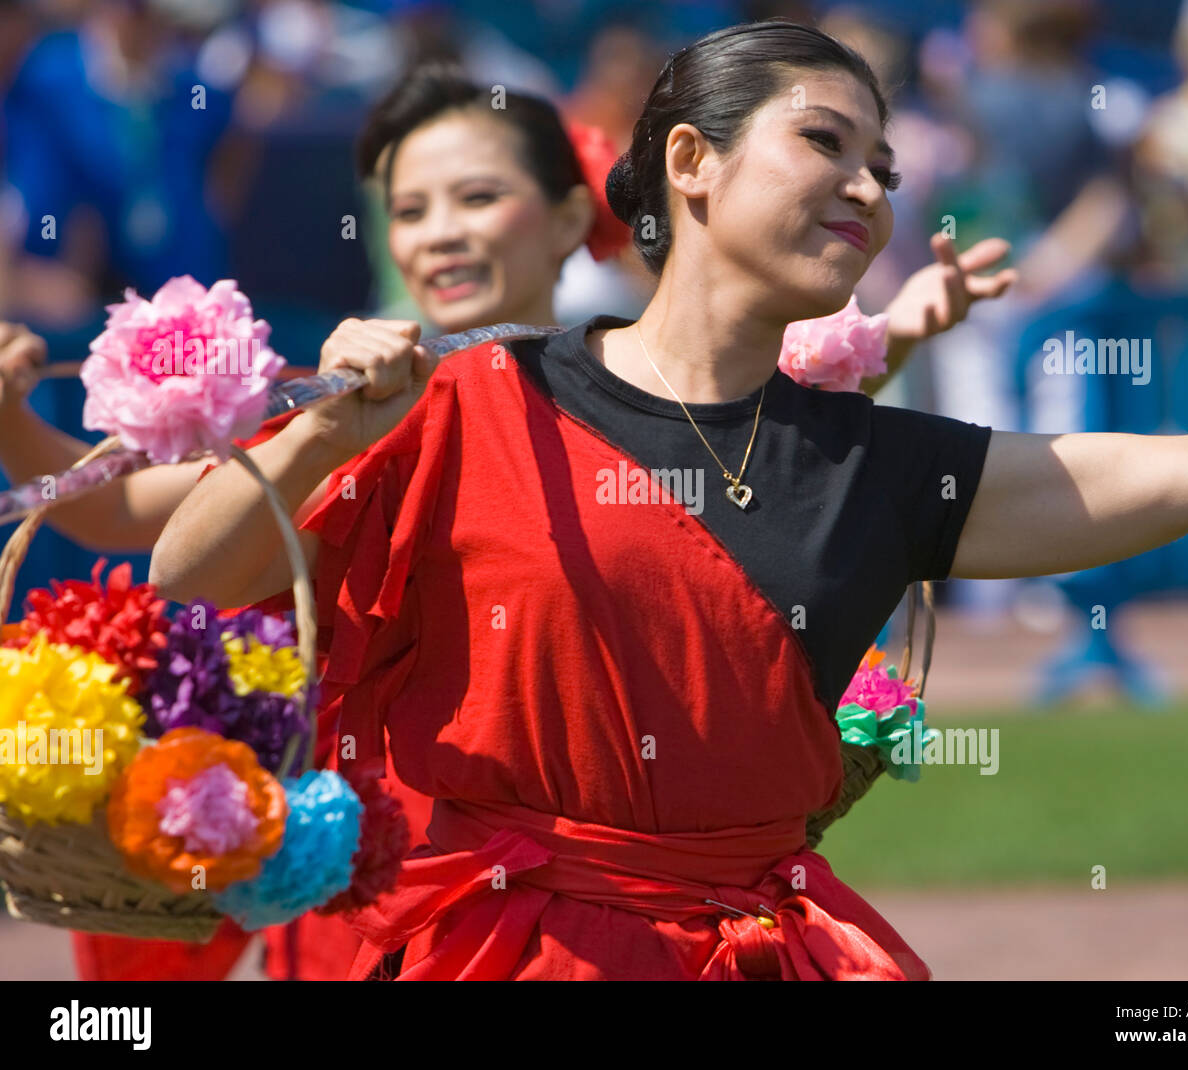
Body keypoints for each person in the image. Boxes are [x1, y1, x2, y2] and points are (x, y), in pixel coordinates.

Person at [146, 20, 1188, 981]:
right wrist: (321, 436)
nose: (868, 188)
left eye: (884, 170)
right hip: (504, 954)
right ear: (690, 160)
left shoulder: (886, 466)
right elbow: (191, 579)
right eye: (825, 142)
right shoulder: (472, 395)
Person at [6, 55, 1012, 979]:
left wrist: (892, 333)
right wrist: (14, 425)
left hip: (564, 871)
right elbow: (148, 521)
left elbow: (792, 453)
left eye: (476, 196)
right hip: (361, 836)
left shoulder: (647, 376)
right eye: (406, 208)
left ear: (574, 217)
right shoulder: (374, 395)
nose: (436, 230)